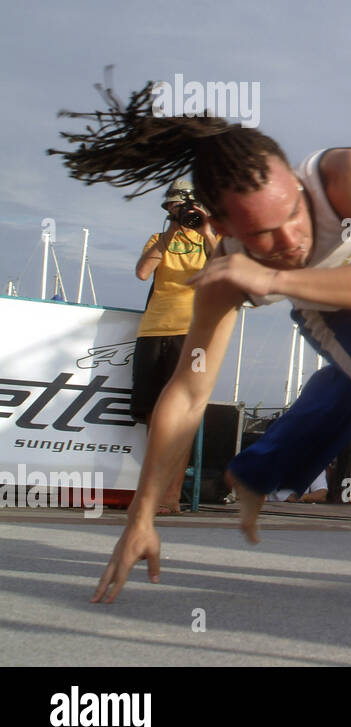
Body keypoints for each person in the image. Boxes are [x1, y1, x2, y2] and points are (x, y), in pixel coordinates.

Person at [52, 98, 351, 615]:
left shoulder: (349, 173)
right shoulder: (227, 268)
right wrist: (141, 516)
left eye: (292, 215)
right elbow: (190, 390)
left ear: (296, 180)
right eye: (261, 235)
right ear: (226, 228)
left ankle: (261, 468)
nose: (289, 240)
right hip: (337, 312)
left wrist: (273, 278)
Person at [131, 178, 217, 514]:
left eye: (180, 207)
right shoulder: (160, 238)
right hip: (153, 330)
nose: (178, 212)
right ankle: (151, 494)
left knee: (182, 414)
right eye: (172, 208)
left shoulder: (212, 238)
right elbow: (142, 272)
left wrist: (206, 226)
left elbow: (221, 267)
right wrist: (171, 230)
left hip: (191, 333)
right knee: (153, 412)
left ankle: (171, 496)